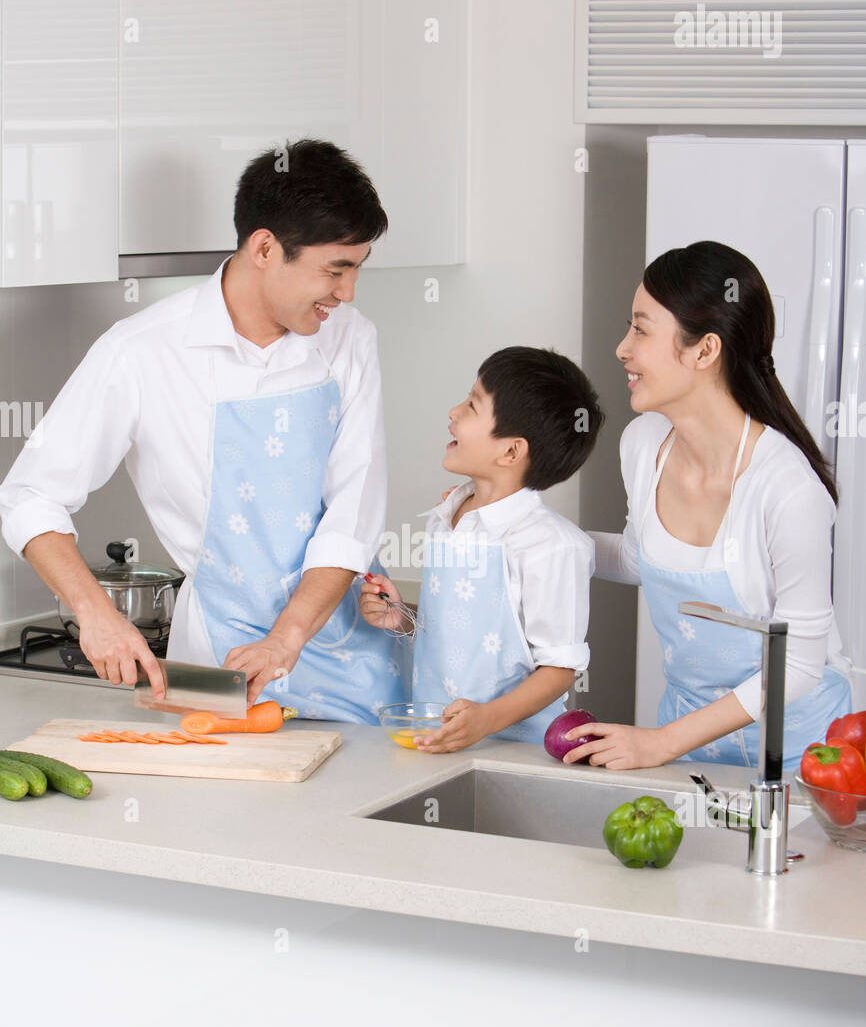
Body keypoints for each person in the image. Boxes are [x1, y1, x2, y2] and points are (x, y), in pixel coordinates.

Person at [0, 139, 406, 720]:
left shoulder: (350, 338)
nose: (346, 292)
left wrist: (286, 638)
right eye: (335, 270)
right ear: (265, 247)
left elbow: (353, 515)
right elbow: (31, 495)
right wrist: (95, 612)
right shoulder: (141, 352)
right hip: (220, 668)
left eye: (357, 269)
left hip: (351, 651)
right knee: (221, 801)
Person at [568, 240, 852, 772]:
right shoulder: (643, 443)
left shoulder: (788, 489)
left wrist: (661, 743)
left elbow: (802, 664)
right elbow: (637, 558)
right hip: (690, 748)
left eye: (641, 330)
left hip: (798, 757)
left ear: (704, 351)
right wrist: (539, 536)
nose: (621, 349)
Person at [359, 346, 604, 751]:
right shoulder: (446, 516)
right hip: (435, 738)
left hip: (513, 751)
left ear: (510, 451)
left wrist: (485, 721)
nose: (453, 412)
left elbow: (559, 669)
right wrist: (402, 617)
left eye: (472, 405)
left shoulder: (552, 545)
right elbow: (457, 630)